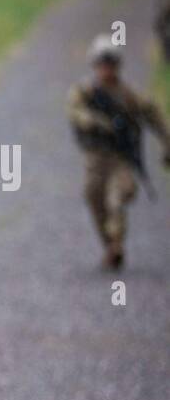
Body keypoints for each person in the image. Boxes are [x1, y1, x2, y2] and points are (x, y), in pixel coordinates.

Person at [66, 34, 170, 270]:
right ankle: (110, 246)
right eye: (102, 64)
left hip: (120, 159)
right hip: (95, 159)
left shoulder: (128, 95)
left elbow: (154, 114)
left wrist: (166, 143)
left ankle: (117, 246)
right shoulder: (85, 92)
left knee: (116, 199)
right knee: (94, 200)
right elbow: (75, 112)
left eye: (110, 63)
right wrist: (96, 122)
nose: (106, 69)